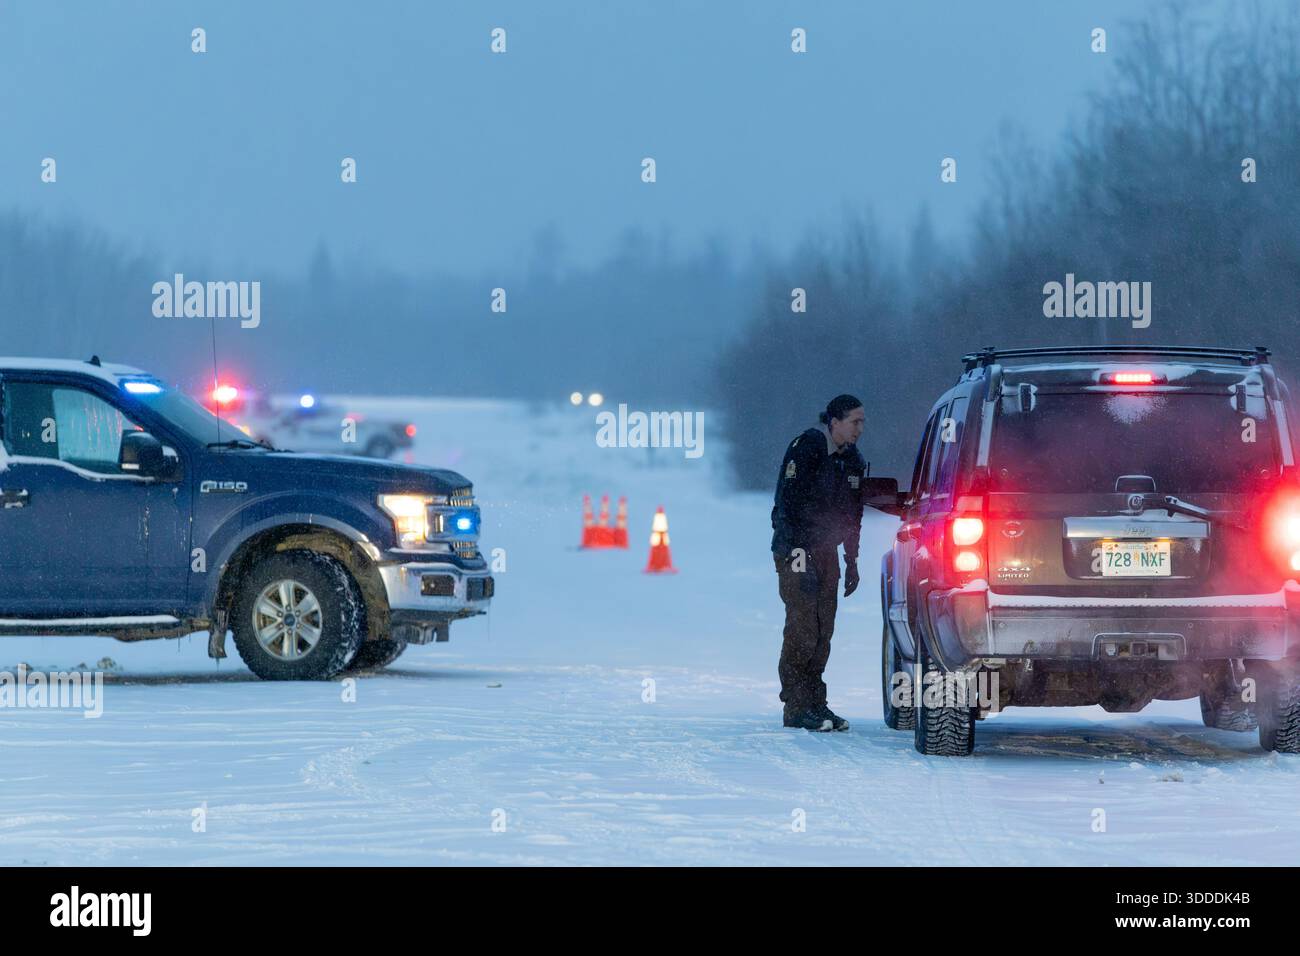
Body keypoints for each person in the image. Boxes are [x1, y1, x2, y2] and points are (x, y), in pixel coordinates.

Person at [770, 394, 866, 732]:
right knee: (803, 626)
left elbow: (854, 515)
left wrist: (851, 560)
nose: (860, 429)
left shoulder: (852, 460)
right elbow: (786, 503)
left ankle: (815, 701)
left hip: (827, 552)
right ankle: (795, 706)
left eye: (862, 422)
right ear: (834, 422)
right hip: (797, 548)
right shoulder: (807, 447)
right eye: (855, 421)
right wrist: (798, 553)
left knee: (824, 627)